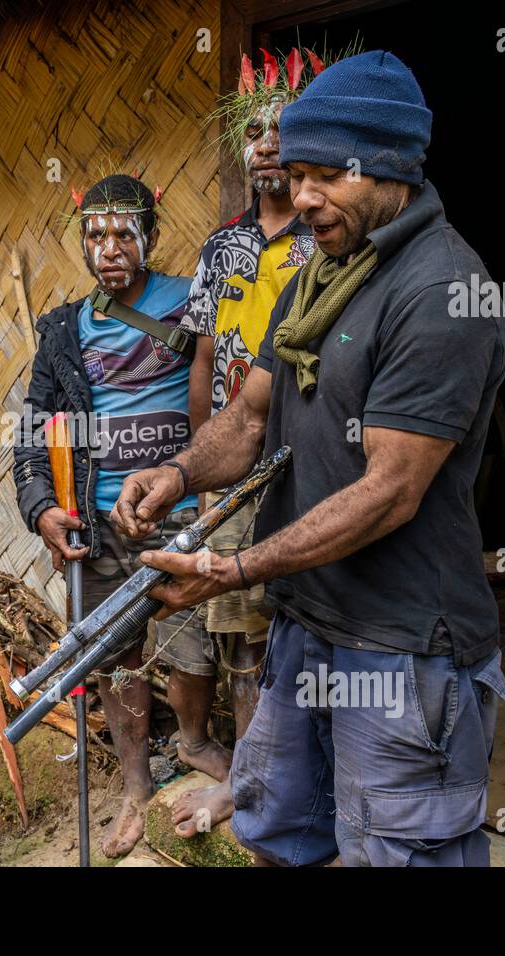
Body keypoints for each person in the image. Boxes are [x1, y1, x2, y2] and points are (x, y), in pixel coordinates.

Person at [111, 51, 505, 866]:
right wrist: (180, 472)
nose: (303, 198)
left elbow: (391, 490)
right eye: (296, 174)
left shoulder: (440, 294)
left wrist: (239, 567)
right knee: (279, 832)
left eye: (328, 176)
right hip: (308, 624)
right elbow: (250, 415)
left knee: (396, 851)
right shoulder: (320, 276)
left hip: (403, 645)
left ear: (392, 165)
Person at [13, 173, 205, 857]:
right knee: (114, 661)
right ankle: (133, 789)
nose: (109, 247)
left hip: (181, 517)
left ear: (148, 238)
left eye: (125, 233)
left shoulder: (192, 301)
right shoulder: (65, 328)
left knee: (194, 648)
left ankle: (194, 743)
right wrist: (40, 508)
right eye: (95, 235)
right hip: (95, 525)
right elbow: (34, 429)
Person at [171, 50, 321, 834]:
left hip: (307, 464)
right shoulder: (221, 247)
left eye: (280, 128)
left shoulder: (328, 242)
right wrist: (199, 465)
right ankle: (253, 784)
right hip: (232, 467)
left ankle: (298, 779)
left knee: (300, 620)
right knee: (239, 632)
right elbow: (202, 361)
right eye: (253, 131)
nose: (265, 144)